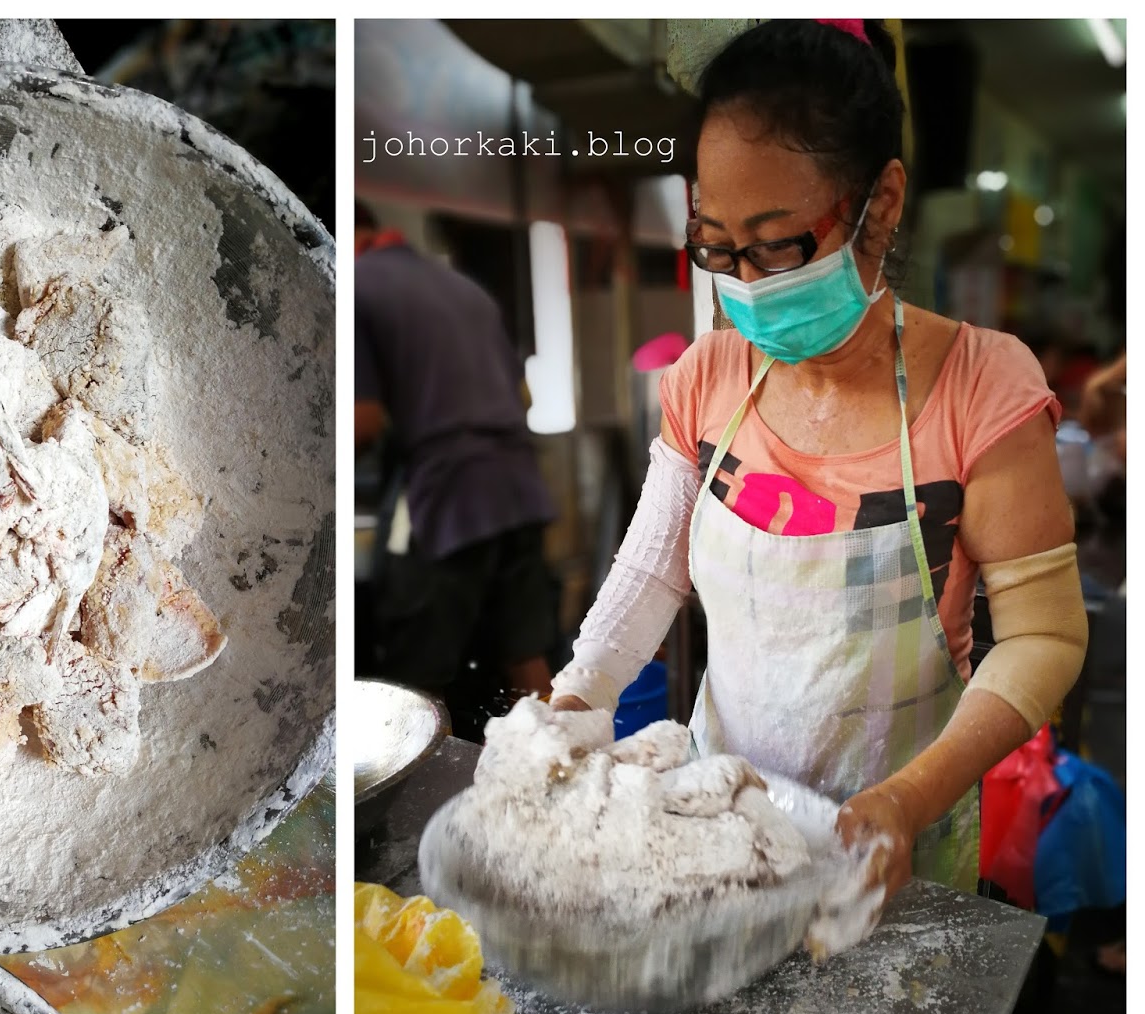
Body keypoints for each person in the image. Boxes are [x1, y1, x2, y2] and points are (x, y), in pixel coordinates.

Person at [551, 19, 1087, 911]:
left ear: (883, 202)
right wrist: (577, 698)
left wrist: (907, 801)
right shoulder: (707, 377)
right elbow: (651, 572)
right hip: (721, 833)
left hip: (895, 853)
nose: (747, 282)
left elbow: (1045, 637)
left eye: (775, 244)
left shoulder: (981, 385)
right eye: (717, 245)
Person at [355, 203, 559, 710]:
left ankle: (423, 763)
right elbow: (523, 395)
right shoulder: (466, 289)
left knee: (415, 677)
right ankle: (559, 752)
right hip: (519, 489)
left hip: (445, 499)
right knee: (525, 655)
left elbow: (363, 420)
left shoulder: (358, 286)